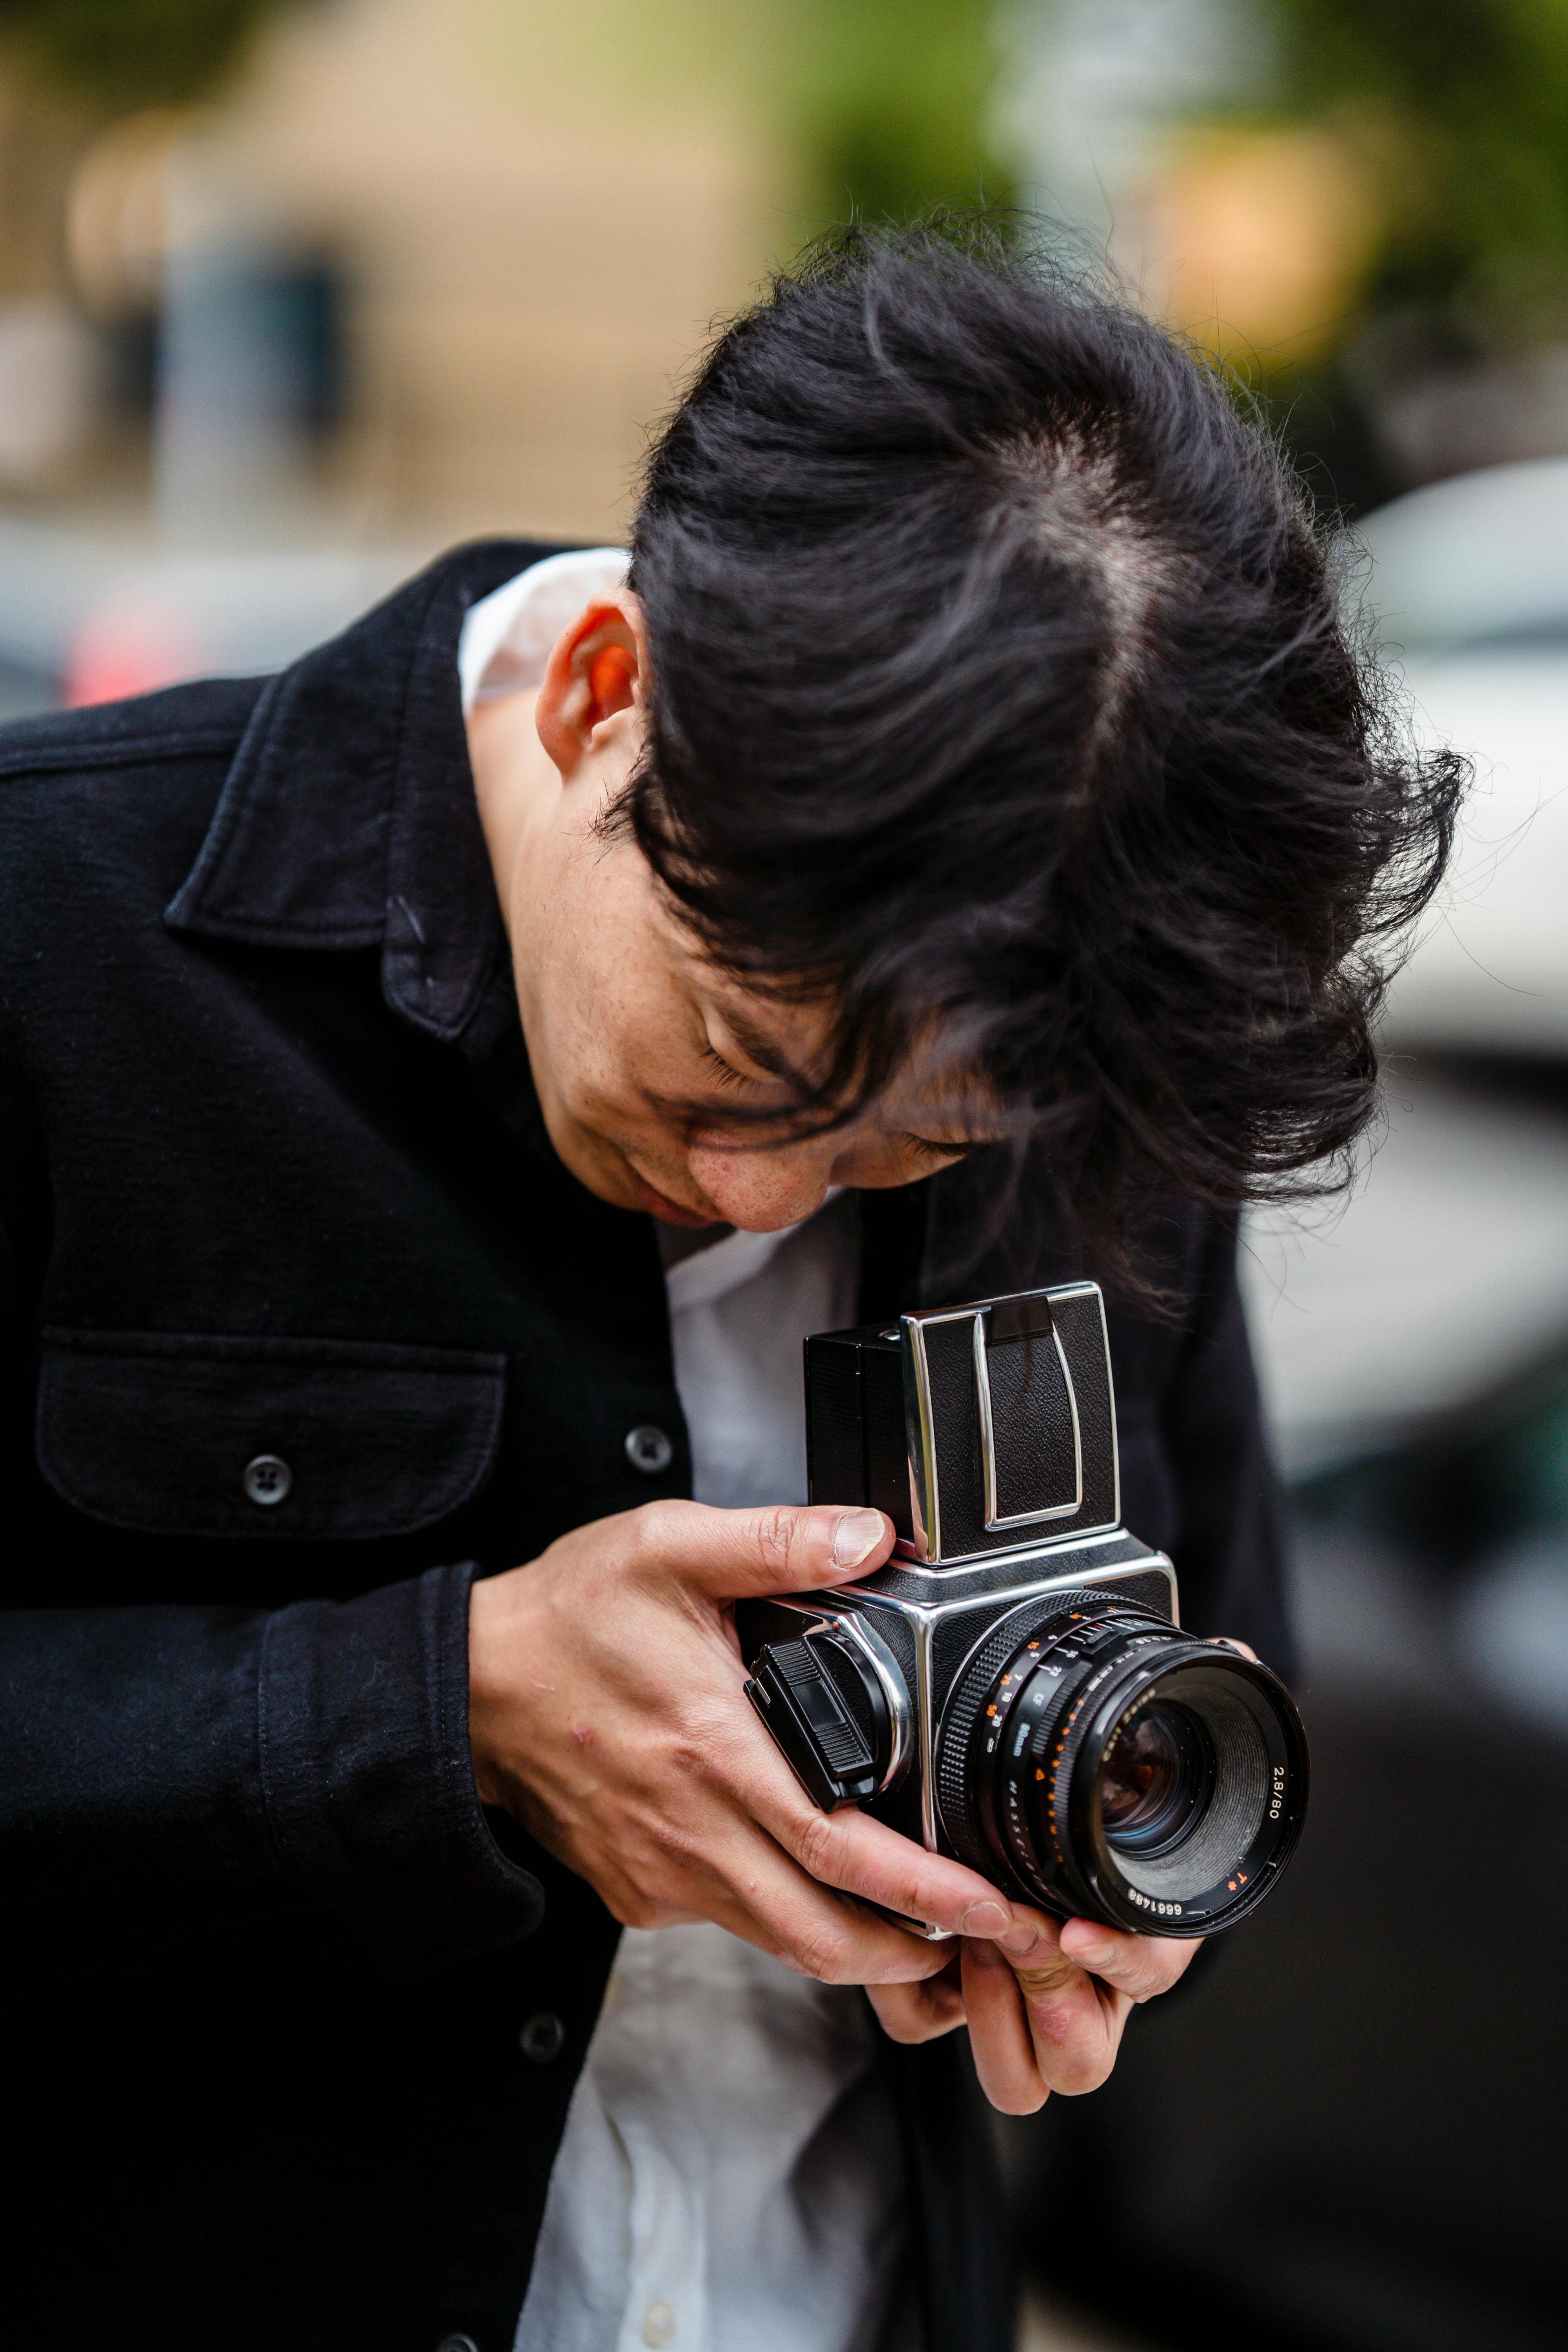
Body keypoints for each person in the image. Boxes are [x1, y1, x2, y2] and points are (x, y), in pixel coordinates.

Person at [0, 227, 1458, 2352]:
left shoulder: (1097, 1069)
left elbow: (1217, 1690)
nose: (766, 1187)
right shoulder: (56, 937)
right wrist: (435, 1715)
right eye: (740, 1064)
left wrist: (1107, 1902)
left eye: (910, 1148)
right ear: (609, 698)